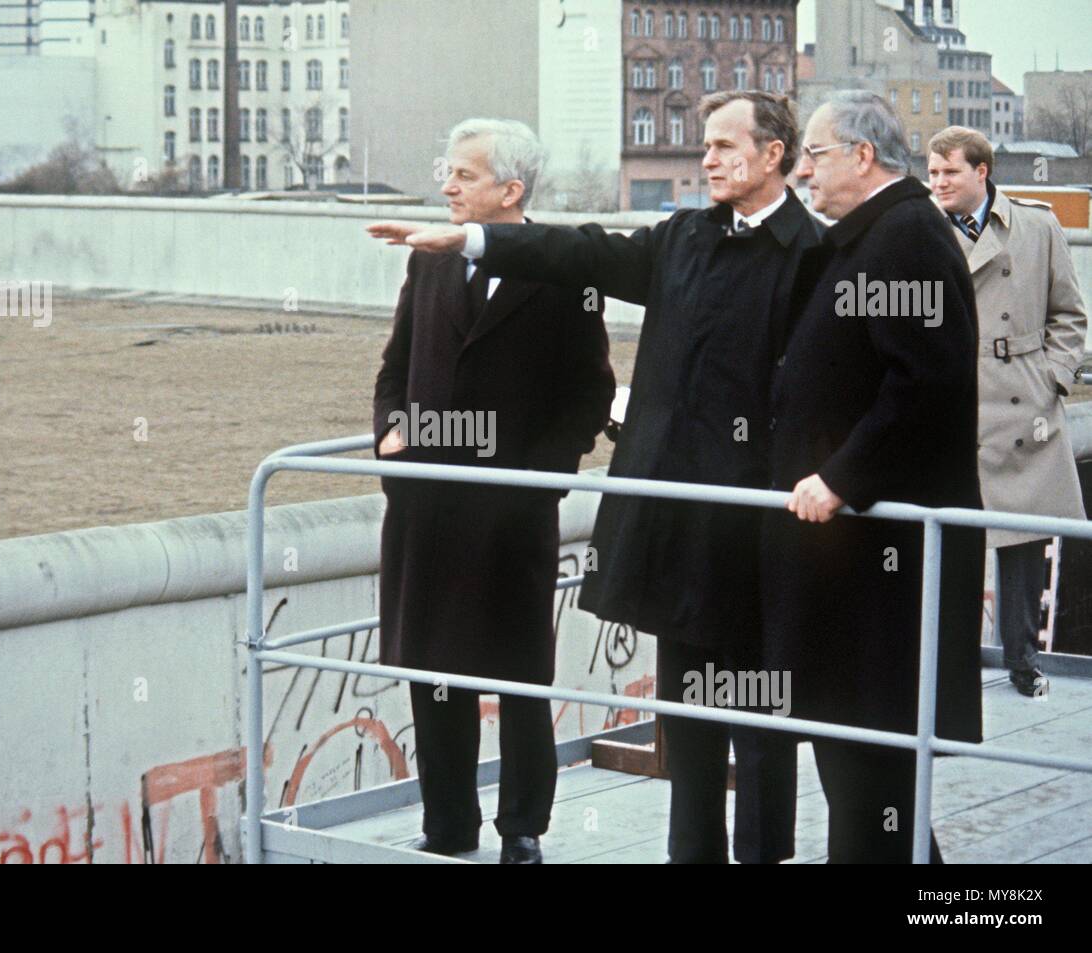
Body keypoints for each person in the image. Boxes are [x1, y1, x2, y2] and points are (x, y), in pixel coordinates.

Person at [370, 91, 823, 864]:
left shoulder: (814, 255)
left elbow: (826, 391)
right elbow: (580, 251)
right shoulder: (684, 236)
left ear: (773, 154)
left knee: (759, 711)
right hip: (676, 518)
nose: (704, 159)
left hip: (755, 521)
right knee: (690, 712)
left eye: (720, 145)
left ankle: (761, 855)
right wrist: (474, 239)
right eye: (703, 146)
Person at [372, 118, 614, 864]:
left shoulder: (565, 271)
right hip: (427, 510)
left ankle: (522, 831)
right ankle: (448, 824)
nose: (446, 185)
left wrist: (532, 483)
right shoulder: (430, 263)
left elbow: (588, 396)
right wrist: (392, 438)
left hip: (513, 517)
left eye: (464, 176)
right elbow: (394, 369)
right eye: (446, 171)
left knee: (518, 679)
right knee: (430, 669)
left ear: (510, 190)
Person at [768, 91, 984, 862]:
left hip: (882, 560)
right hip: (860, 560)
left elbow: (927, 379)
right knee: (861, 768)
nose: (803, 171)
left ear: (863, 156)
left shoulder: (904, 238)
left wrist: (839, 478)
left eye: (815, 155)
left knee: (871, 764)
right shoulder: (878, 235)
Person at [928, 125, 1088, 697]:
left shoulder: (1038, 226)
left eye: (950, 172)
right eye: (934, 171)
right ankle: (948, 669)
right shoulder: (920, 231)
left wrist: (1051, 377)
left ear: (982, 172)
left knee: (1021, 544)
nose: (939, 182)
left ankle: (1024, 663)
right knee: (948, 540)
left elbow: (1070, 317)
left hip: (1023, 404)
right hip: (947, 401)